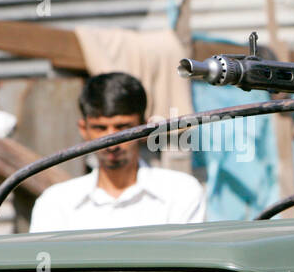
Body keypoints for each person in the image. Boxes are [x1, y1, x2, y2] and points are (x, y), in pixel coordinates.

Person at [29, 72, 205, 233]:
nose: (111, 142)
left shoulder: (180, 193)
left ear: (145, 128)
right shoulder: (55, 204)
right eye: (100, 128)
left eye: (122, 128)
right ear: (84, 129)